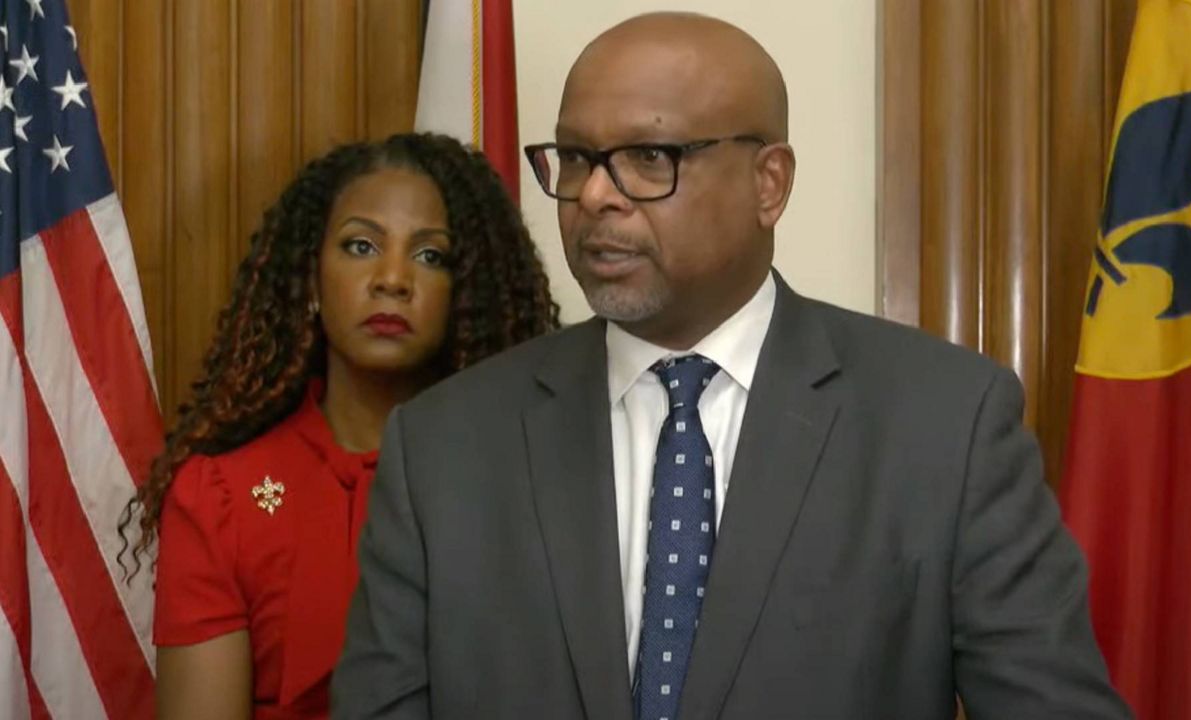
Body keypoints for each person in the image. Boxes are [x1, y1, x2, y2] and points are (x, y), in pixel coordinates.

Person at [332, 13, 1130, 720]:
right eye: (576, 158)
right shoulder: (445, 446)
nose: (597, 197)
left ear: (768, 183)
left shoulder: (945, 424)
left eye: (648, 157)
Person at [119, 132, 559, 719]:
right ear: (310, 280)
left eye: (431, 256)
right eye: (360, 246)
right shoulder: (220, 496)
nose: (393, 279)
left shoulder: (525, 480)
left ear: (467, 294)